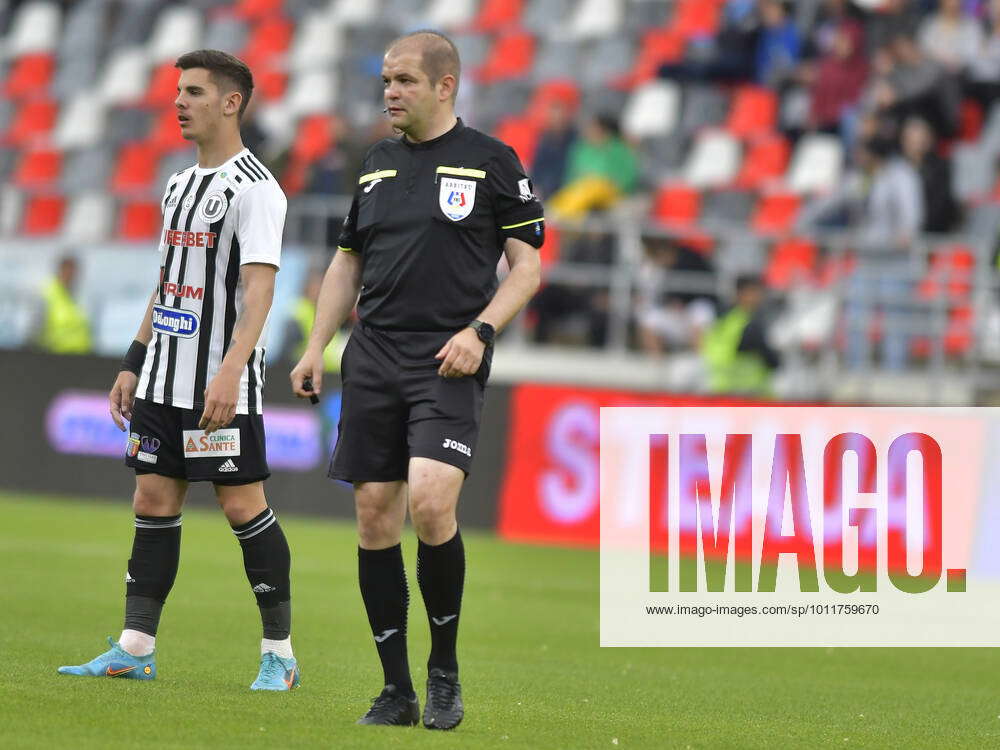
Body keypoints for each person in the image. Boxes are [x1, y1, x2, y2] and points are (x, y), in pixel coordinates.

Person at [290, 30, 543, 730]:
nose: (390, 93)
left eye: (403, 80)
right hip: (372, 355)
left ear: (444, 85)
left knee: (430, 503)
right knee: (375, 511)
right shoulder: (374, 165)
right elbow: (347, 264)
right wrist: (317, 345)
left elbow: (527, 269)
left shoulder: (492, 162)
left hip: (447, 355)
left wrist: (481, 332)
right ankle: (395, 689)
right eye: (384, 81)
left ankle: (444, 672)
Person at [57, 50, 297, 691]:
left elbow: (259, 294)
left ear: (231, 101)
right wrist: (134, 363)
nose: (179, 102)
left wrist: (229, 372)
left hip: (219, 385)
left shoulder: (256, 191)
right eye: (178, 91)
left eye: (193, 92)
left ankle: (280, 654)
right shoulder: (177, 184)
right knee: (152, 498)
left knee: (244, 506)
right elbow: (167, 285)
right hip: (163, 379)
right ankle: (136, 647)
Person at [700, 275, 780, 395]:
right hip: (743, 390)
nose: (759, 297)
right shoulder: (747, 322)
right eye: (754, 292)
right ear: (740, 293)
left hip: (721, 386)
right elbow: (771, 359)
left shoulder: (725, 317)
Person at [32, 254, 92, 354]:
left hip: (82, 356)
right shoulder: (46, 294)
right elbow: (35, 332)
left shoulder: (81, 297)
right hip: (55, 356)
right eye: (67, 270)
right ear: (60, 271)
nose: (70, 275)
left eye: (73, 271)